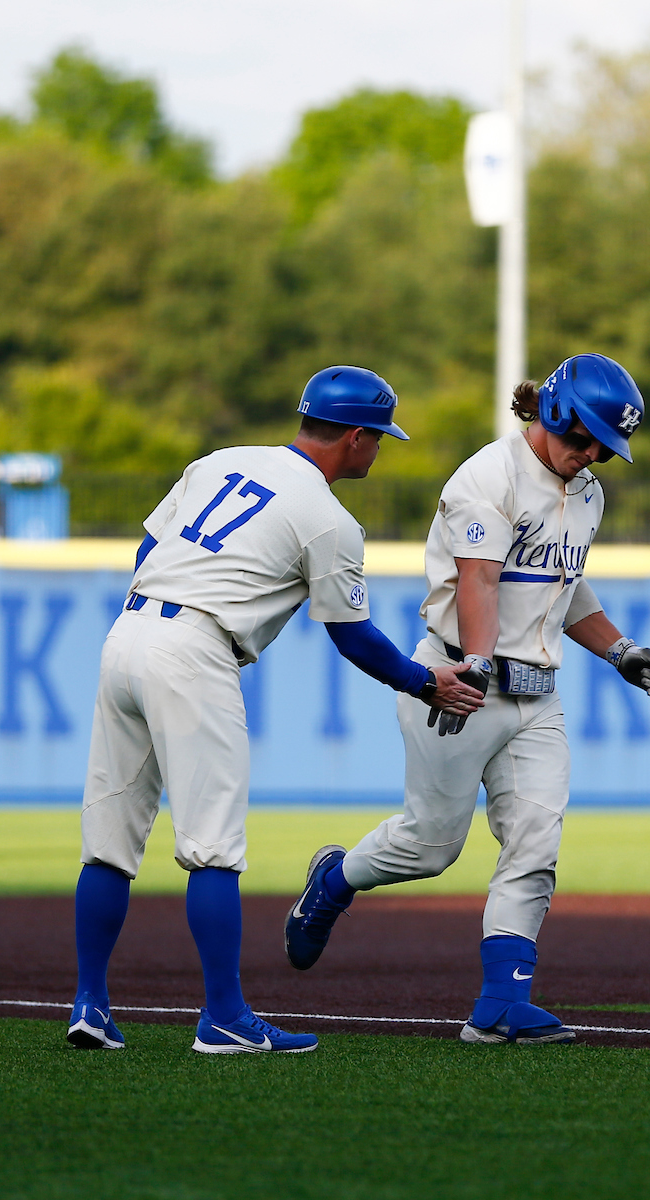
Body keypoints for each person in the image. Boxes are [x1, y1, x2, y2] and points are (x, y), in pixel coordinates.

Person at [67, 365, 483, 1055]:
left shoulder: (220, 461)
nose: (379, 449)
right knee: (213, 849)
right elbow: (351, 635)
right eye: (379, 436)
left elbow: (149, 550)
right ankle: (224, 1018)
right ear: (354, 436)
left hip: (129, 633)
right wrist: (423, 681)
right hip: (196, 651)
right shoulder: (329, 519)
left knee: (108, 840)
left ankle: (90, 1004)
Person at [284, 353, 650, 1046]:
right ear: (553, 412)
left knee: (536, 842)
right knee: (430, 848)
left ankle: (500, 1004)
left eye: (604, 451)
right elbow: (480, 582)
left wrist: (617, 649)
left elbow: (562, 583)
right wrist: (477, 665)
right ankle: (334, 879)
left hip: (536, 695)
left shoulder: (586, 492)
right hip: (457, 680)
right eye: (584, 439)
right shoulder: (487, 476)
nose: (591, 458)